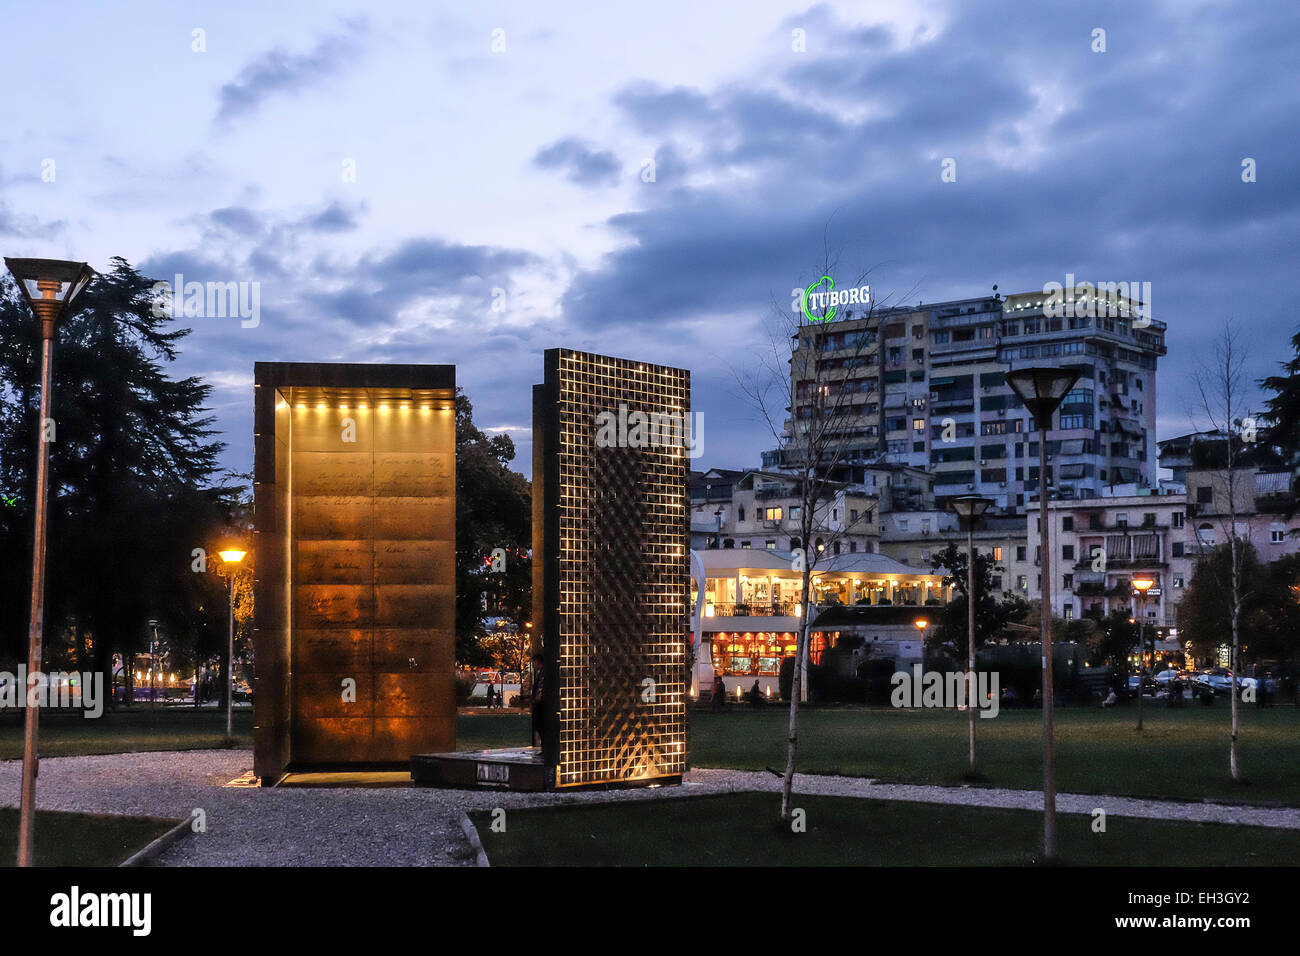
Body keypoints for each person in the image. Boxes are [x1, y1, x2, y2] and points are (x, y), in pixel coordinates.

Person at [530, 653, 546, 749]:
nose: (533, 665)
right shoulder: (540, 673)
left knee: (539, 724)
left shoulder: (543, 673)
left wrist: (539, 695)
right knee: (538, 724)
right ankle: (543, 746)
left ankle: (544, 746)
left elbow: (541, 686)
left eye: (533, 662)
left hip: (540, 704)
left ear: (537, 661)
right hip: (538, 703)